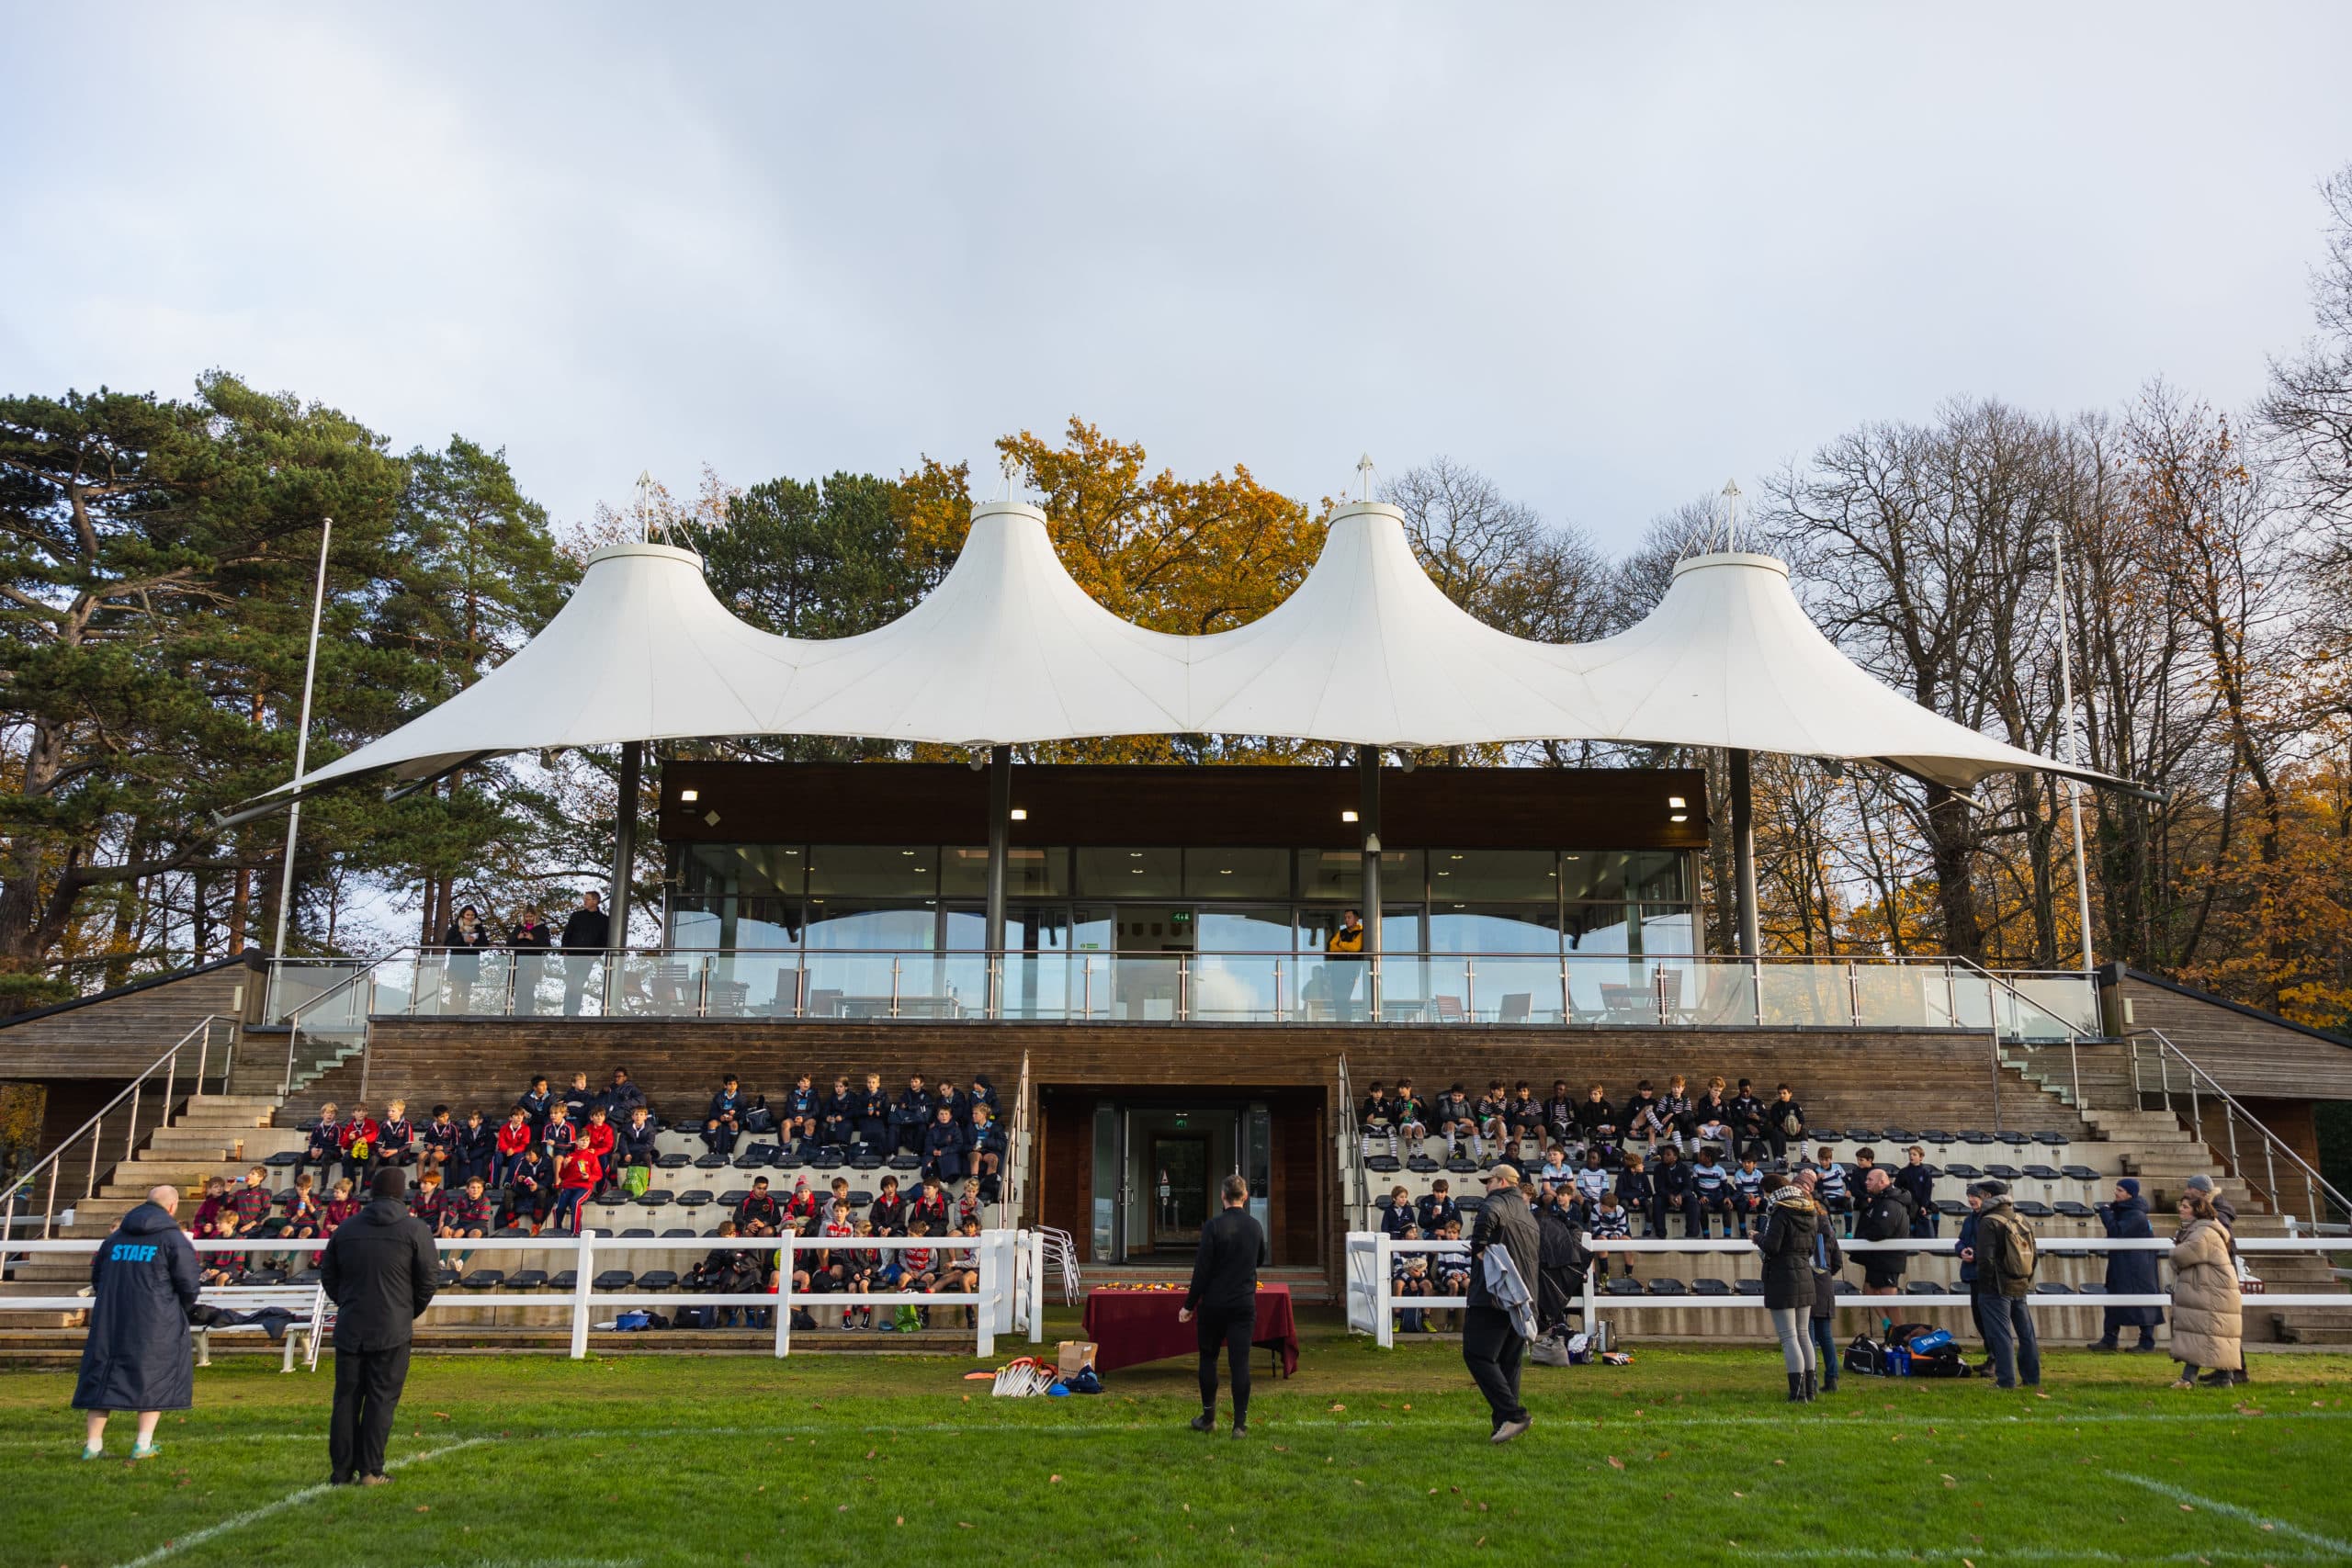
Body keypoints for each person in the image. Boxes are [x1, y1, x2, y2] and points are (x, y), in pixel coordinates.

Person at [320, 1168, 437, 1486]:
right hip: (392, 1327)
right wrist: (406, 1311)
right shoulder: (415, 1229)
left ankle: (341, 1473)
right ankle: (371, 1470)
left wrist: (347, 1302)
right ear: (401, 1193)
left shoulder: (346, 1228)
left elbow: (328, 1275)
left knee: (346, 1400)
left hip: (351, 1325)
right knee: (381, 1400)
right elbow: (428, 1279)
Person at [73, 1184, 199, 1461]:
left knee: (101, 1377)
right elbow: (189, 1283)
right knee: (154, 1377)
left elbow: (98, 1276)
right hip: (155, 1320)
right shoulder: (173, 1239)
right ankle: (143, 1444)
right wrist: (183, 1307)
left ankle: (92, 1446)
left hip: (111, 1318)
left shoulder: (115, 1239)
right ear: (172, 1207)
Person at [1179, 1173, 1269, 1437]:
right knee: (1240, 1363)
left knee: (1208, 1358)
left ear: (1222, 1196)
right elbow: (1259, 1260)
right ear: (1246, 1197)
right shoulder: (1255, 1227)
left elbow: (1202, 1271)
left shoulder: (1213, 1227)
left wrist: (1188, 1305)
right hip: (1243, 1304)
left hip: (1214, 1305)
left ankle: (1208, 1417)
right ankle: (1239, 1424)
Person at [1464, 1164, 1540, 1443]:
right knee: (1510, 1362)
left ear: (1503, 1181)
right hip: (1523, 1296)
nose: (1486, 1186)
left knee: (1478, 1355)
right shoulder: (1527, 1214)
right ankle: (1503, 1426)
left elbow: (1489, 1215)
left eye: (1490, 1180)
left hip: (1493, 1295)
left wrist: (1479, 1246)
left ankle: (1514, 1414)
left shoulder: (1496, 1202)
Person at [1753, 1173, 1823, 1402]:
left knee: (1789, 1337)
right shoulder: (1810, 1209)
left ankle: (1797, 1392)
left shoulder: (1780, 1211)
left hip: (1782, 1276)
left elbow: (1772, 1246)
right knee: (1803, 1335)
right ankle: (1810, 1390)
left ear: (1770, 1192)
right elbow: (1812, 1247)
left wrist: (1757, 1237)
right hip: (1804, 1273)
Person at [1969, 1179, 2041, 1390]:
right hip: (2020, 1282)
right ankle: (2031, 1378)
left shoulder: (1989, 1221)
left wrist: (1985, 1284)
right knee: (2026, 1334)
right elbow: (2034, 1254)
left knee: (2000, 1335)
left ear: (1988, 1196)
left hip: (1997, 1287)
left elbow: (1985, 1259)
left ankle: (2006, 1380)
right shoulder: (2021, 1218)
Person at [2166, 1190, 2242, 1389]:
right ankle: (2224, 1379)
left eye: (2185, 1207)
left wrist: (2172, 1253)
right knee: (2214, 1335)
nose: (2180, 1210)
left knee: (2201, 1334)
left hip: (2212, 1293)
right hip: (2213, 1292)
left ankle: (2187, 1379)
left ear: (2196, 1211)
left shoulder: (2204, 1232)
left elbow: (2184, 1255)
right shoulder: (2204, 1229)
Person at [2182, 1174, 2251, 1385]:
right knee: (2221, 1327)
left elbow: (2218, 1248)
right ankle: (2227, 1372)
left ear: (2202, 1193)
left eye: (2190, 1189)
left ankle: (2231, 1372)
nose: (2186, 1191)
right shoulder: (2218, 1214)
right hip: (2220, 1276)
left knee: (2221, 1328)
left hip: (2217, 1278)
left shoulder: (2216, 1218)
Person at [2089, 1178, 2163, 1353]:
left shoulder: (2136, 1215)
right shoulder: (2127, 1211)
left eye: (2120, 1190)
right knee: (2113, 1298)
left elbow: (2116, 1232)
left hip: (2137, 1268)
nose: (2116, 1193)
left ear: (2130, 1194)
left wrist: (2106, 1214)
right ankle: (2109, 1339)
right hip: (2124, 1264)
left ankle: (2146, 1342)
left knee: (2142, 1302)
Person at [1794, 1168, 1845, 1391]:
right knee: (1822, 1334)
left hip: (1811, 1278)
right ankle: (1830, 1378)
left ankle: (1813, 1379)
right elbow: (1834, 1254)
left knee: (1812, 1333)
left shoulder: (1811, 1216)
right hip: (1821, 1278)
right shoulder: (1822, 1215)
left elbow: (1827, 1250)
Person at [1854, 1168, 1914, 1295]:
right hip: (1877, 1258)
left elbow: (1882, 1229)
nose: (1866, 1182)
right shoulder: (1880, 1199)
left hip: (1888, 1259)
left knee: (1888, 1298)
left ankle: (1891, 1317)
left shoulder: (1890, 1202)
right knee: (1869, 1291)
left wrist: (1863, 1235)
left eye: (1870, 1179)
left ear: (1881, 1182)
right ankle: (1885, 1317)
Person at [560, 890, 610, 1017]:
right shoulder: (576, 916)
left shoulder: (603, 920)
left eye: (587, 899)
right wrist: (564, 951)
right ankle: (566, 1012)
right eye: (584, 899)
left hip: (587, 957)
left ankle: (574, 1012)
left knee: (578, 983)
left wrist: (595, 955)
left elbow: (604, 940)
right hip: (571, 955)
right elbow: (567, 934)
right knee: (570, 983)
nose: (584, 901)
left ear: (595, 901)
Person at [442, 905, 492, 1011]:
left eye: (472, 915)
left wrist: (475, 942)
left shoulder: (479, 929)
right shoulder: (456, 928)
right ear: (463, 915)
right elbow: (447, 944)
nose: (470, 917)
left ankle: (464, 1014)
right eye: (468, 914)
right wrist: (462, 938)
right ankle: (453, 1015)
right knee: (455, 990)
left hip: (471, 965)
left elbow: (485, 946)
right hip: (457, 964)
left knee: (466, 992)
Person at [509, 906, 553, 1013]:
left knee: (529, 990)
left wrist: (532, 938)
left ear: (536, 916)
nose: (529, 919)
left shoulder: (542, 929)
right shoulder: (519, 928)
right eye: (527, 916)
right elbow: (509, 943)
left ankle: (528, 1013)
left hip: (533, 963)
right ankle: (518, 1013)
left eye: (531, 916)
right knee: (519, 990)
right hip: (518, 962)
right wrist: (517, 938)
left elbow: (547, 946)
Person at [1895, 1145, 1938, 1236]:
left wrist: (1924, 1206)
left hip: (1922, 1200)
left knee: (1935, 1208)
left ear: (1921, 1157)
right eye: (1910, 1154)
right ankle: (1912, 1236)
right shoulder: (1903, 1172)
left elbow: (1927, 1191)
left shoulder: (1925, 1173)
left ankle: (1935, 1234)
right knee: (1914, 1210)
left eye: (1914, 1154)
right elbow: (1897, 1188)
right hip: (1909, 1201)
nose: (1911, 1156)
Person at [704, 1075, 745, 1156]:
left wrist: (734, 1116)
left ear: (737, 1085)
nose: (732, 1086)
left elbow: (743, 1112)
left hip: (731, 1119)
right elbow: (712, 1112)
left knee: (735, 1125)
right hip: (720, 1119)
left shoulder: (741, 1098)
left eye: (734, 1084)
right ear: (725, 1085)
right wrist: (719, 1116)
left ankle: (730, 1152)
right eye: (730, 1084)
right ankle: (712, 1150)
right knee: (711, 1124)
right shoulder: (718, 1096)